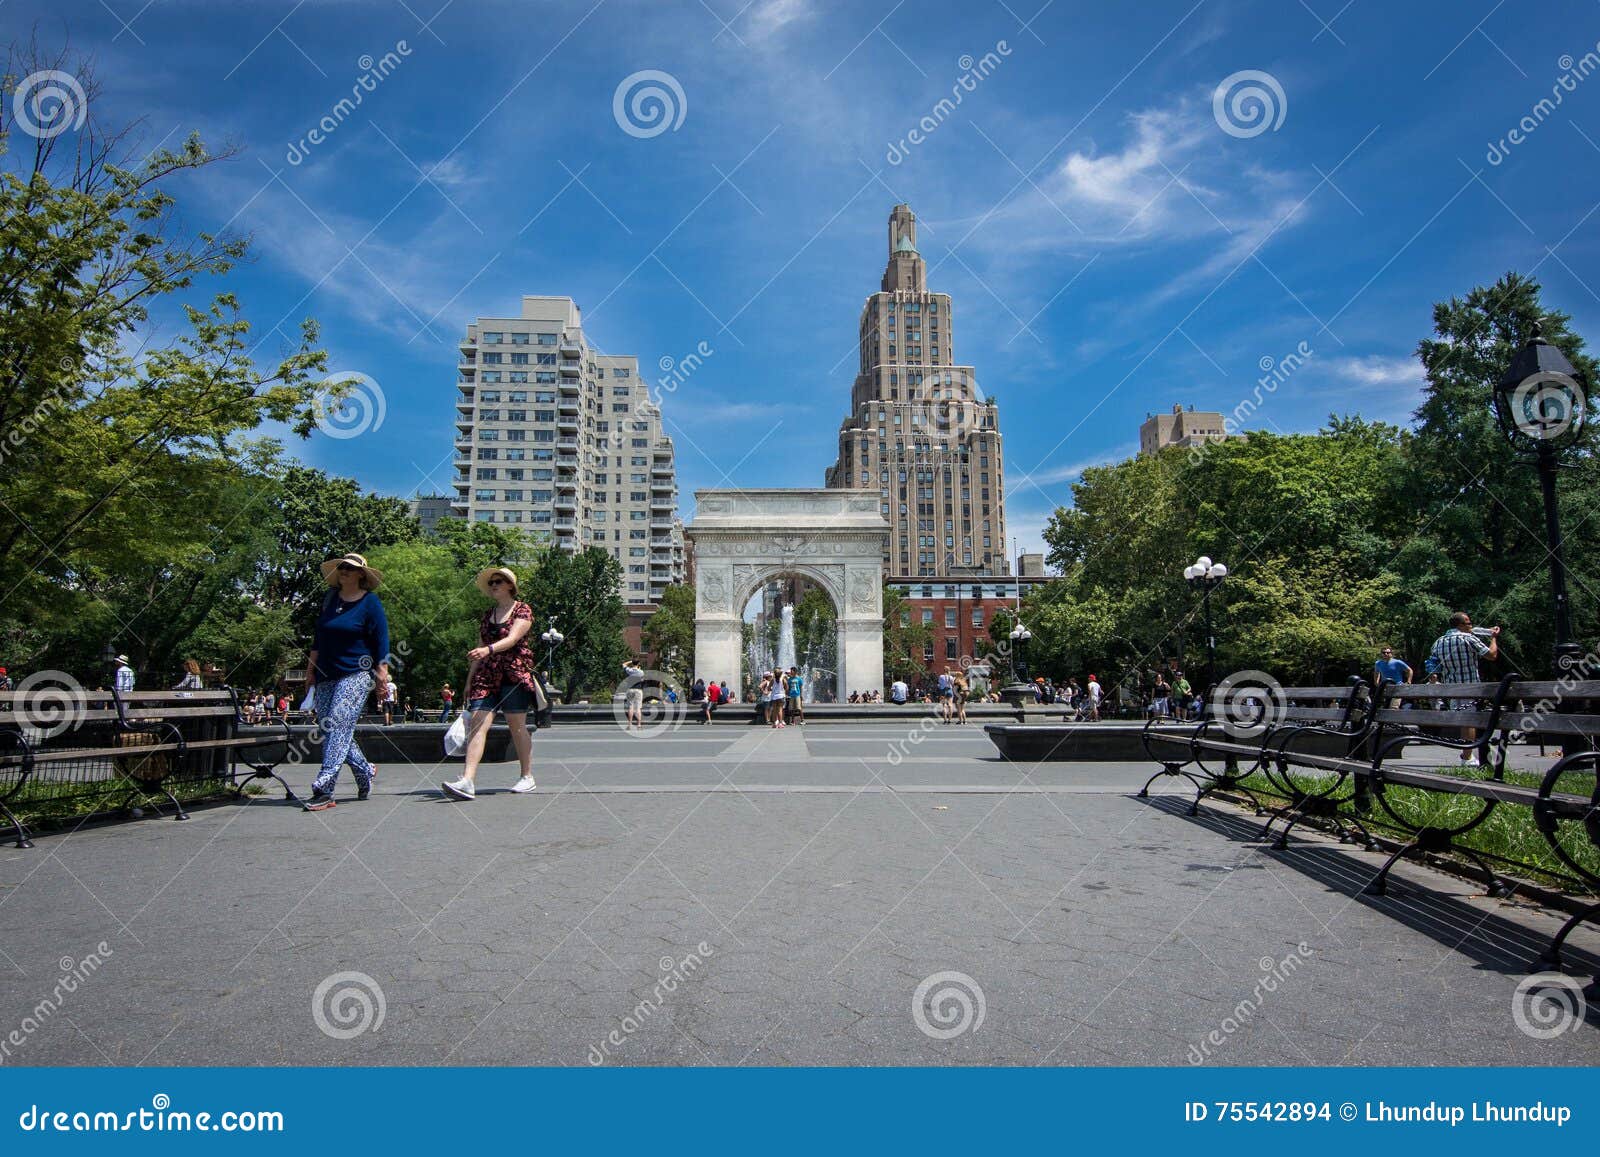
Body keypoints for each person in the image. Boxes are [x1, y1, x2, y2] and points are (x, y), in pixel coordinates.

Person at [441, 567, 540, 799]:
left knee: (516, 726)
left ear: (510, 586)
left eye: (499, 581)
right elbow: (479, 647)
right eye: (492, 582)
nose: (494, 585)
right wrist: (468, 681)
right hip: (486, 675)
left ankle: (527, 776)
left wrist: (487, 649)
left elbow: (513, 639)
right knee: (478, 723)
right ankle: (467, 780)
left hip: (513, 674)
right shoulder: (488, 616)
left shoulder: (522, 610)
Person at [304, 553, 390, 811]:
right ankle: (365, 770)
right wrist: (310, 670)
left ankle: (324, 788)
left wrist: (381, 673)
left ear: (361, 575)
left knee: (339, 724)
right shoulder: (330, 600)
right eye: (341, 567)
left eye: (350, 569)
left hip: (357, 673)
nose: (344, 571)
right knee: (329, 728)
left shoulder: (370, 603)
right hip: (325, 673)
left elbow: (381, 639)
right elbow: (318, 639)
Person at [1427, 612, 1500, 761]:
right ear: (1460, 624)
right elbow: (1491, 655)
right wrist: (1493, 638)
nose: (1471, 626)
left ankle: (1466, 755)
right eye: (1469, 623)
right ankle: (1467, 758)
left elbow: (1433, 666)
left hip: (1451, 688)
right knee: (1469, 721)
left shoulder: (1438, 642)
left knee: (1463, 722)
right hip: (1470, 685)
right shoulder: (1468, 638)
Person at [621, 660, 645, 729]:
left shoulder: (629, 670)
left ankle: (629, 724)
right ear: (639, 663)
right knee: (638, 708)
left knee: (631, 707)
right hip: (638, 690)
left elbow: (623, 664)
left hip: (630, 689)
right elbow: (642, 680)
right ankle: (639, 725)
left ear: (633, 663)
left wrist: (631, 661)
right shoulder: (641, 672)